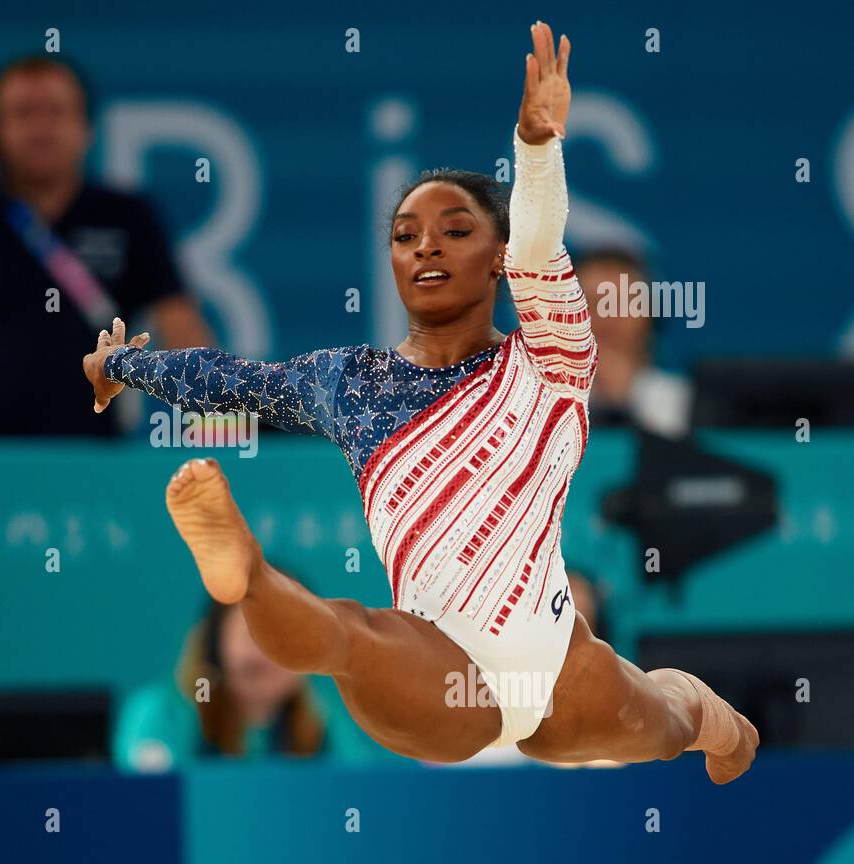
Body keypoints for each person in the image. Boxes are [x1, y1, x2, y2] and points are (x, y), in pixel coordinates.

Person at [83, 23, 757, 783]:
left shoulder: (551, 357)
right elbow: (232, 380)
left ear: (497, 258)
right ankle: (245, 577)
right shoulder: (350, 383)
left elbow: (541, 242)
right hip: (439, 663)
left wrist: (536, 147)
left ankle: (720, 724)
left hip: (558, 662)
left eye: (455, 230)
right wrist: (124, 364)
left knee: (669, 724)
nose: (426, 247)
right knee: (349, 633)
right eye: (407, 236)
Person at [0, 54, 212, 438]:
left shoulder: (128, 217)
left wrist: (217, 437)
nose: (41, 128)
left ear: (87, 128)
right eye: (24, 113)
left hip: (98, 467)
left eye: (57, 112)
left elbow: (182, 331)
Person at [115, 591, 380, 772]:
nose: (272, 656)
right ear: (214, 646)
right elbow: (148, 800)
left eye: (290, 640)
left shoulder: (323, 719)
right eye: (254, 636)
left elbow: (361, 791)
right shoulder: (163, 713)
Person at [575, 247, 692, 438]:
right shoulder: (526, 402)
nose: (607, 320)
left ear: (651, 317)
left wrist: (629, 393)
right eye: (592, 303)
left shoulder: (688, 402)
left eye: (622, 304)